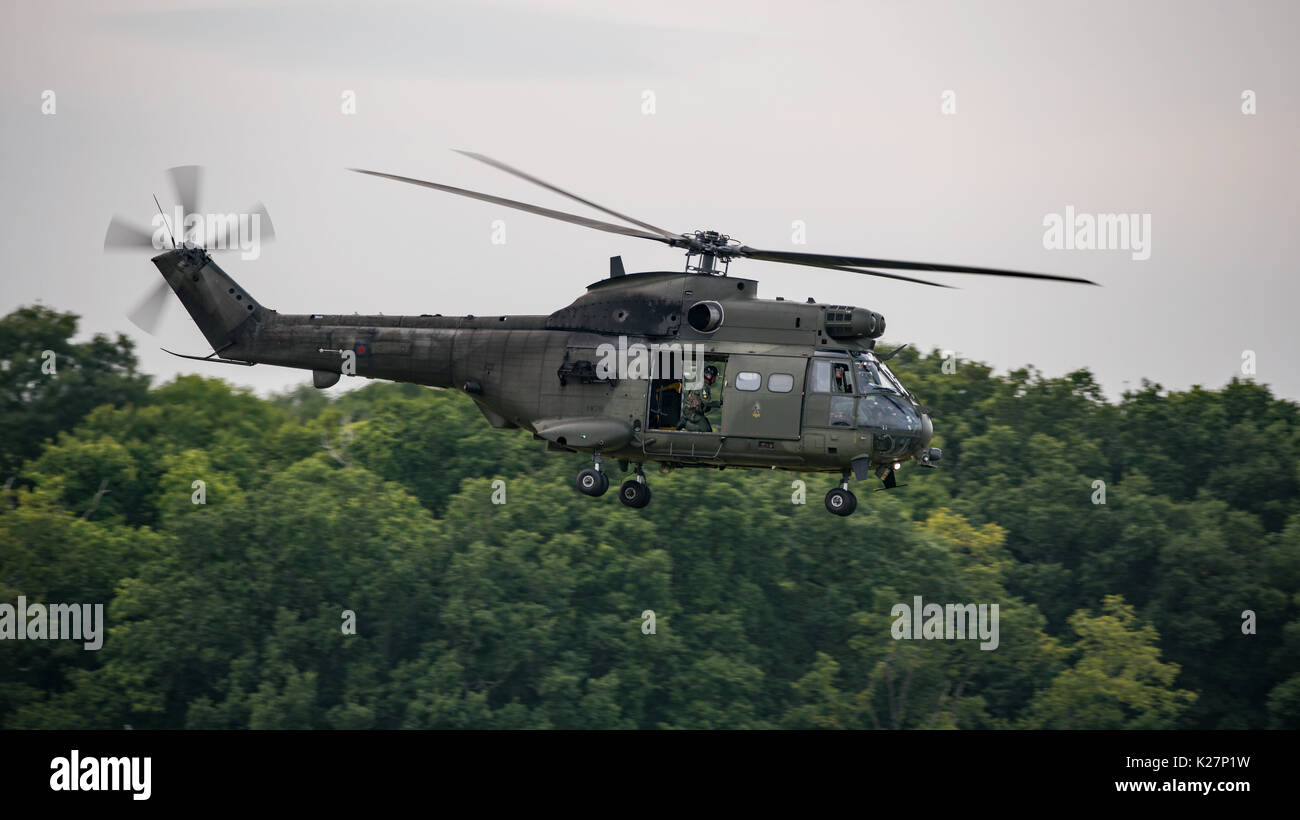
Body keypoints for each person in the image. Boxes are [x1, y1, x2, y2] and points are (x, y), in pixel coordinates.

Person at [679, 365, 722, 432]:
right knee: (706, 430)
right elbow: (706, 401)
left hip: (693, 411)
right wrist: (719, 402)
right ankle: (685, 424)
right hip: (693, 412)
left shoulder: (700, 384)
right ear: (709, 376)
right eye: (715, 377)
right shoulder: (703, 386)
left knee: (708, 430)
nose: (715, 379)